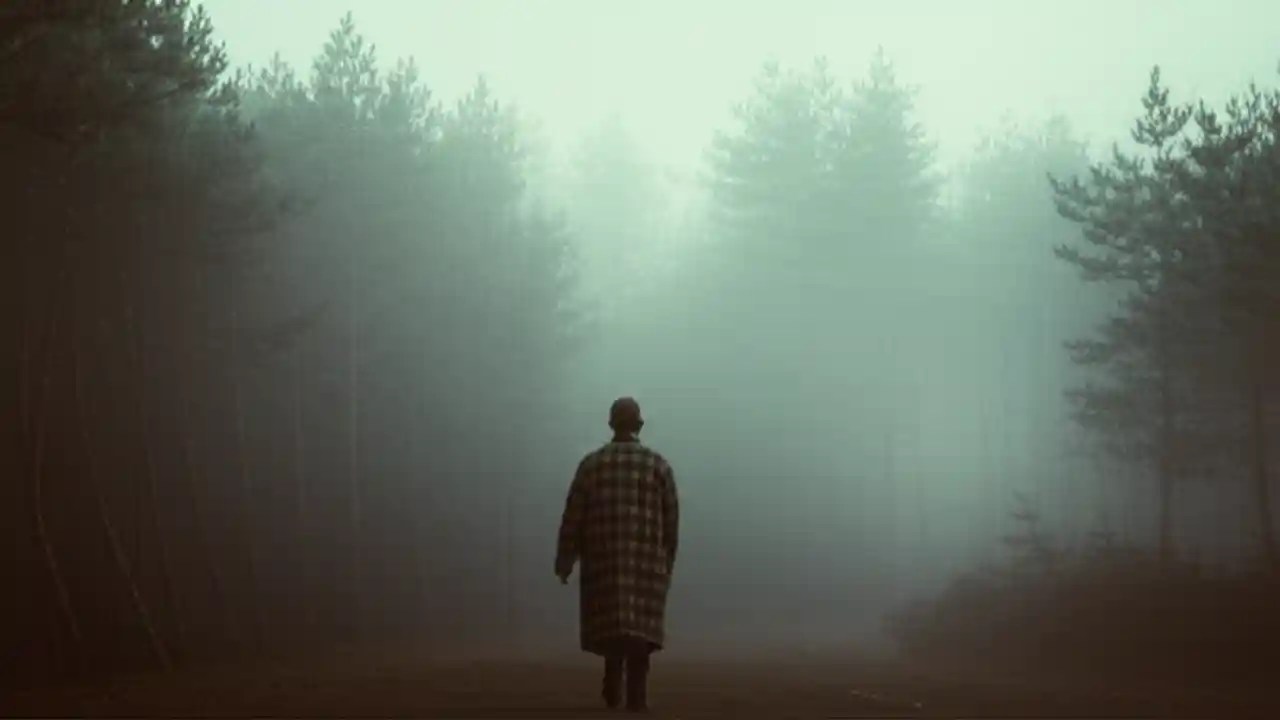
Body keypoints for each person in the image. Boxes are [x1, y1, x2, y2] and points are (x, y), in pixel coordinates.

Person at [555, 396, 679, 713]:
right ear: (639, 425)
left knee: (613, 621)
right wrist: (668, 560)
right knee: (638, 625)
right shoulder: (658, 465)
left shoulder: (591, 465)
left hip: (603, 559)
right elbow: (671, 519)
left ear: (611, 425)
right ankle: (636, 695)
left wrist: (565, 558)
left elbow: (573, 515)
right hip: (646, 563)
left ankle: (613, 683)